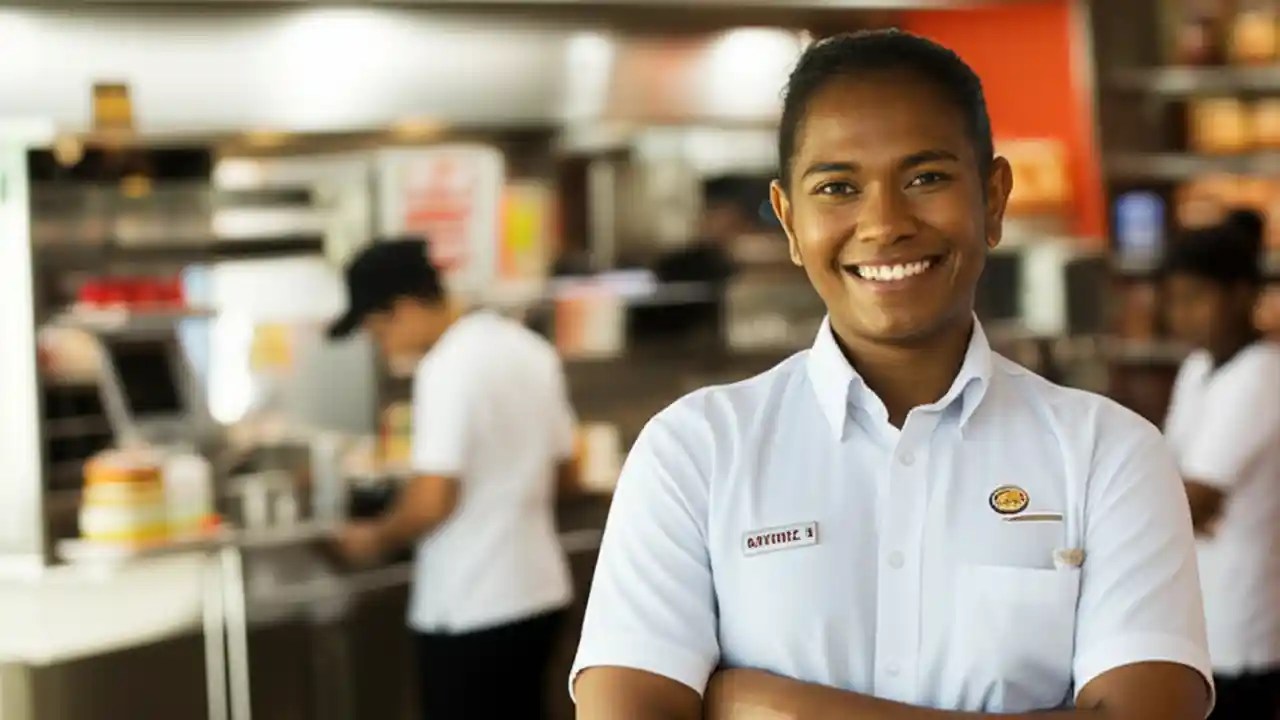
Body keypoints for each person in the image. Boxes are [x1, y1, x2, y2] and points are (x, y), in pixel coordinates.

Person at [571, 30, 1213, 720]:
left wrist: (772, 706)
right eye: (838, 188)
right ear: (789, 220)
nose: (884, 223)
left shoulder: (1107, 453)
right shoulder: (694, 451)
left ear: (993, 199)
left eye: (925, 178)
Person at [327, 238, 576, 720]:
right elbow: (567, 472)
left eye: (378, 330)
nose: (380, 345)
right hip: (539, 593)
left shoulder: (445, 367)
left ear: (404, 308)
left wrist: (374, 538)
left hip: (469, 605)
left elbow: (433, 498)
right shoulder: (529, 349)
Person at [1162, 210, 1280, 720]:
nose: (1180, 314)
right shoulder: (1198, 367)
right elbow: (1162, 479)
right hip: (1200, 616)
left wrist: (1173, 504)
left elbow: (1191, 500)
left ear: (1239, 295)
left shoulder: (1262, 376)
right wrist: (1169, 501)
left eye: (1195, 298)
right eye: (1174, 299)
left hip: (1243, 626)